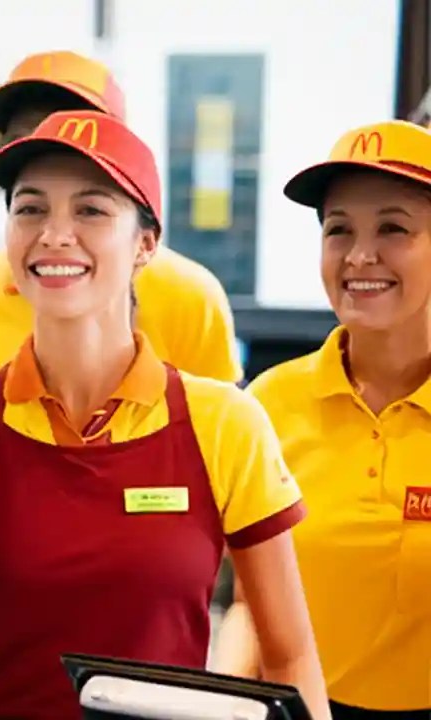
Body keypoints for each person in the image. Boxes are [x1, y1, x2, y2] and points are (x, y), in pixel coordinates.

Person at [0, 109, 331, 719]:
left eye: (90, 210)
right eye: (30, 208)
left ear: (145, 244)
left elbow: (291, 655)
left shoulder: (223, 420)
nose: (55, 234)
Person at [211, 120, 431, 719]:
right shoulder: (270, 404)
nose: (360, 255)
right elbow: (250, 607)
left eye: (394, 227)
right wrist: (220, 705)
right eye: (339, 230)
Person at [0, 50, 242, 390]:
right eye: (25, 144)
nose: (49, 162)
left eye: (73, 142)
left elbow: (215, 428)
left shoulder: (190, 298)